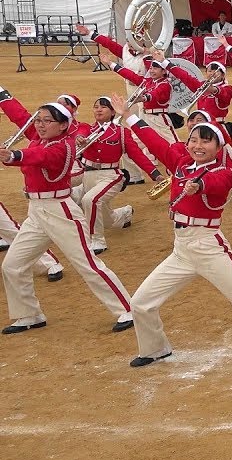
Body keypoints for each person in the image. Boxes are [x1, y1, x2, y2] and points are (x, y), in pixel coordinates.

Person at [117, 103, 232, 369]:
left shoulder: (223, 172)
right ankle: (155, 349)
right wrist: (129, 117)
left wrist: (199, 186)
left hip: (208, 246)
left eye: (206, 141)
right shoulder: (181, 162)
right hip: (181, 249)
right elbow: (155, 142)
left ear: (219, 148)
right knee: (140, 303)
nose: (198, 145)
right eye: (193, 139)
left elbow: (216, 183)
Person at [0, 99, 132, 335]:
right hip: (36, 211)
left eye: (47, 121)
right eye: (38, 120)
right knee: (13, 265)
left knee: (88, 264)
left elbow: (40, 157)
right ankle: (29, 315)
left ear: (62, 125)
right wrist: (3, 96)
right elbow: (20, 116)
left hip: (61, 211)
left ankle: (128, 309)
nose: (40, 125)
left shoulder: (64, 146)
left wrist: (12, 155)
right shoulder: (41, 137)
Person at [167, 58, 232, 198]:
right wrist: (168, 65)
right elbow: (187, 79)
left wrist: (206, 86)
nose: (211, 73)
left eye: (216, 71)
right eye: (209, 70)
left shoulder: (227, 88)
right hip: (202, 131)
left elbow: (217, 92)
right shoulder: (203, 87)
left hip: (219, 130)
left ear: (223, 75)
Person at [74, 97, 162, 253]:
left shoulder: (122, 132)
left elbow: (137, 155)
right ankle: (124, 214)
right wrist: (79, 137)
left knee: (90, 200)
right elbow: (80, 132)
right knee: (103, 215)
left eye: (103, 107)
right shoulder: (86, 128)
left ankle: (97, 240)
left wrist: (155, 174)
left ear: (113, 112)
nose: (98, 109)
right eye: (96, 107)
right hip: (88, 175)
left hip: (111, 176)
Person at [100, 47, 179, 142]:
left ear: (164, 71)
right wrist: (110, 63)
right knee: (134, 142)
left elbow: (154, 95)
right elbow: (129, 75)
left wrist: (142, 98)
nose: (151, 71)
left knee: (174, 144)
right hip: (146, 118)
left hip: (159, 121)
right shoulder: (148, 82)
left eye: (155, 68)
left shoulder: (165, 84)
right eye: (151, 68)